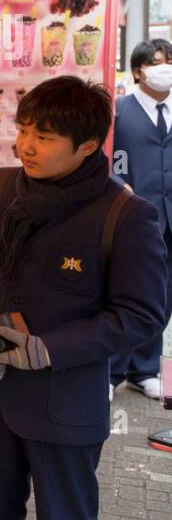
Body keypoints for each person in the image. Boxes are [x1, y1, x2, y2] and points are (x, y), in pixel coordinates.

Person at [0, 76, 167, 520]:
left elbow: (141, 316)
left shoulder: (125, 215)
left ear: (88, 145)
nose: (25, 145)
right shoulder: (1, 188)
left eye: (44, 137)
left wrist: (48, 348)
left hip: (64, 403)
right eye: (24, 130)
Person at [110, 40, 172, 399]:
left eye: (169, 62)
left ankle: (145, 368)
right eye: (158, 63)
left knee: (163, 297)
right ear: (138, 71)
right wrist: (124, 189)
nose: (165, 68)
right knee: (129, 292)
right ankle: (113, 371)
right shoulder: (122, 111)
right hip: (137, 216)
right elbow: (116, 161)